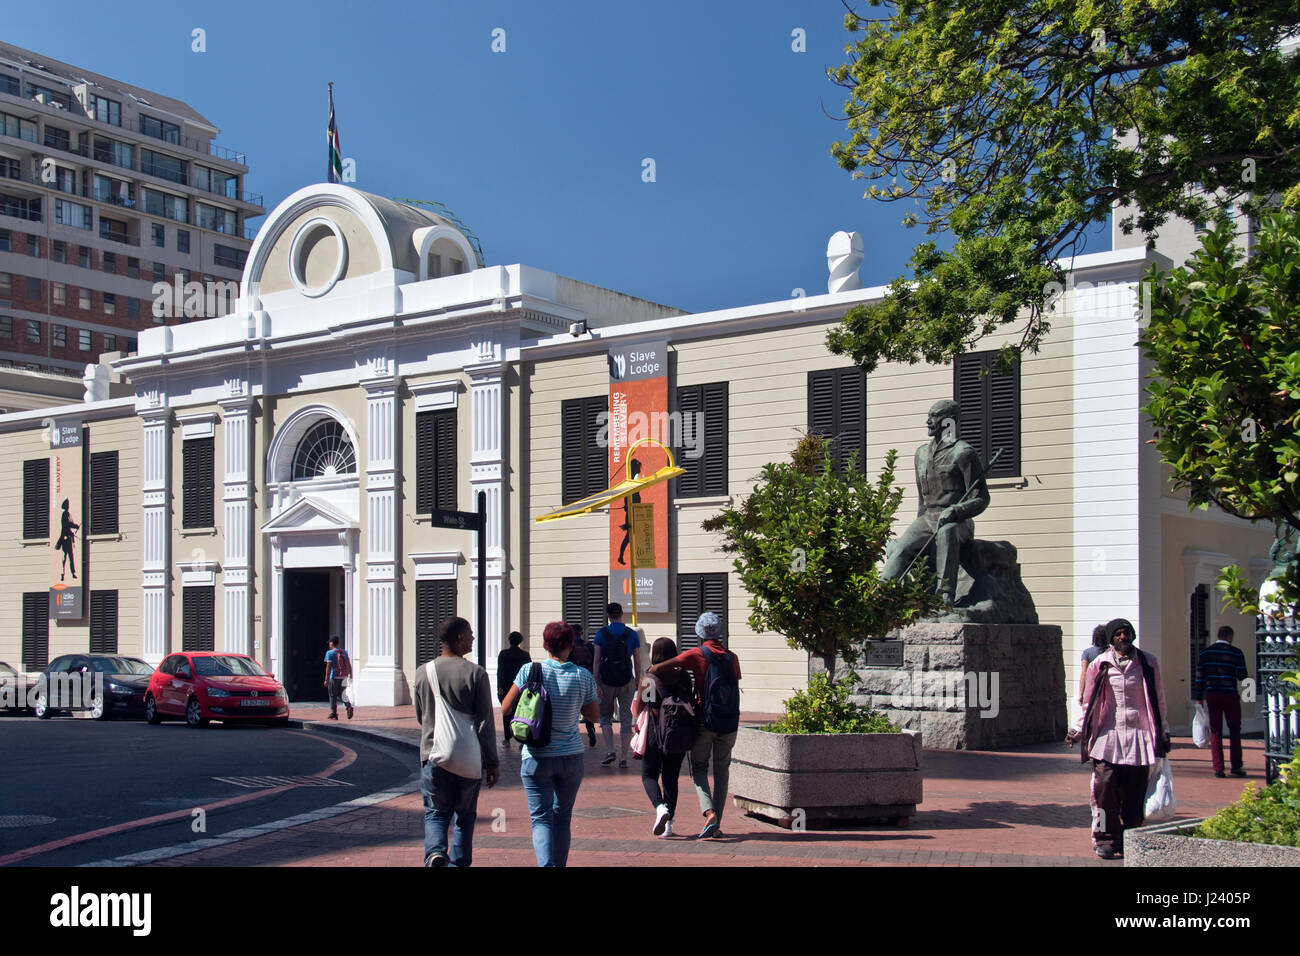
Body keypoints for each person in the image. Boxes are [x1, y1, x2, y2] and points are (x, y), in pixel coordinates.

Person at [1067, 618, 1170, 860]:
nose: (1123, 638)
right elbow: (1089, 703)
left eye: (1127, 633)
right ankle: (1104, 838)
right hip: (1109, 736)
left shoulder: (1147, 662)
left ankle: (1130, 837)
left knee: (1135, 792)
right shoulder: (1099, 665)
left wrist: (1163, 731)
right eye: (1118, 634)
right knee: (1105, 787)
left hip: (1139, 736)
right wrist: (1078, 729)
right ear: (1111, 639)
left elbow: (1159, 699)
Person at [500, 621, 599, 867]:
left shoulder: (529, 670)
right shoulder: (582, 675)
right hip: (571, 756)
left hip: (535, 755)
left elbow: (505, 708)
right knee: (562, 817)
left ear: (545, 645)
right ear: (571, 645)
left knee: (541, 818)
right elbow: (594, 716)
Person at [880, 400, 990, 603]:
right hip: (928, 518)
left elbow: (981, 498)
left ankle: (944, 596)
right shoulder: (921, 454)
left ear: (950, 421)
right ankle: (883, 594)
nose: (928, 421)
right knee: (902, 547)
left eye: (934, 416)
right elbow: (922, 500)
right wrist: (918, 528)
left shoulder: (964, 453)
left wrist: (957, 511)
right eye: (929, 416)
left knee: (946, 532)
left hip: (958, 521)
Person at [413, 617, 499, 867]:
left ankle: (435, 852)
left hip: (433, 754)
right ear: (459, 637)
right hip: (467, 758)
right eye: (470, 634)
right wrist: (492, 762)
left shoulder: (423, 672)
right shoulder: (476, 673)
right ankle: (459, 862)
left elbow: (422, 716)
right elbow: (485, 724)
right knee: (465, 815)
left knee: (436, 812)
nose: (473, 637)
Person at [649, 611, 740, 839]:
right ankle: (716, 823)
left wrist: (650, 672)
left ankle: (709, 813)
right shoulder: (732, 657)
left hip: (705, 721)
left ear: (700, 633)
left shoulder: (697, 653)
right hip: (730, 723)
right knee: (722, 772)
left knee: (699, 768)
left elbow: (660, 668)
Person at [633, 637, 695, 837]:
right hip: (678, 733)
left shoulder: (650, 679)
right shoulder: (684, 677)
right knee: (671, 778)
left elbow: (640, 708)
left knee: (648, 774)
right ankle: (669, 825)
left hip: (654, 733)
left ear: (655, 655)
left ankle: (660, 808)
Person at [1194, 625, 1250, 778]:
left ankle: (1218, 767)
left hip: (1212, 694)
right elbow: (1242, 676)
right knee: (1235, 730)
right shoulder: (1236, 653)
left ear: (1218, 635)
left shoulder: (1206, 653)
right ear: (1230, 637)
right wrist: (1248, 694)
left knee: (1215, 730)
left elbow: (1200, 677)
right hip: (1230, 694)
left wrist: (1199, 697)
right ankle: (1236, 766)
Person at [592, 603, 641, 768]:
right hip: (626, 679)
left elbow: (597, 660)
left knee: (605, 716)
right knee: (626, 718)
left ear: (608, 615)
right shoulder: (631, 634)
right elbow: (637, 660)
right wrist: (637, 679)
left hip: (606, 680)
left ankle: (610, 750)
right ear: (622, 614)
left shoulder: (601, 634)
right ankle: (624, 757)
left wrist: (596, 681)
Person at [496, 631, 531, 749]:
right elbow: (528, 672)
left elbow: (500, 671)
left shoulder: (503, 654)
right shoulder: (525, 655)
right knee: (521, 713)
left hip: (506, 687)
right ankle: (522, 739)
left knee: (507, 713)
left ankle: (507, 738)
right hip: (521, 687)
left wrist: (499, 687)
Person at [568, 624, 598, 748]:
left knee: (574, 706)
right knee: (587, 704)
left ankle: (573, 732)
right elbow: (596, 661)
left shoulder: (569, 647)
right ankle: (590, 726)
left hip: (573, 679)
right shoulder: (589, 646)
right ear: (581, 633)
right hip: (588, 678)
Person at [322, 636, 353, 720]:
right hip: (344, 677)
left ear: (332, 643)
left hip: (334, 677)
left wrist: (326, 679)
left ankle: (334, 713)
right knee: (343, 694)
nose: (329, 644)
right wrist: (350, 675)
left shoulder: (329, 653)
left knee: (332, 695)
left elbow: (328, 667)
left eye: (329, 642)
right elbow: (349, 664)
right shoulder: (344, 652)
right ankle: (348, 706)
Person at [1078, 624, 1109, 706]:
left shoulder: (1087, 653)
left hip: (1091, 688)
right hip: (1108, 688)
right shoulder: (1111, 652)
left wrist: (1081, 694)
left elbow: (1084, 673)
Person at [55, 498, 79, 581]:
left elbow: (70, 524)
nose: (68, 506)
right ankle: (62, 573)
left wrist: (74, 527)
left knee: (70, 556)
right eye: (67, 505)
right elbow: (66, 525)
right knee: (64, 557)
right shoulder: (64, 514)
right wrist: (74, 526)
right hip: (65, 538)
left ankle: (73, 573)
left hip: (68, 538)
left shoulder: (68, 514)